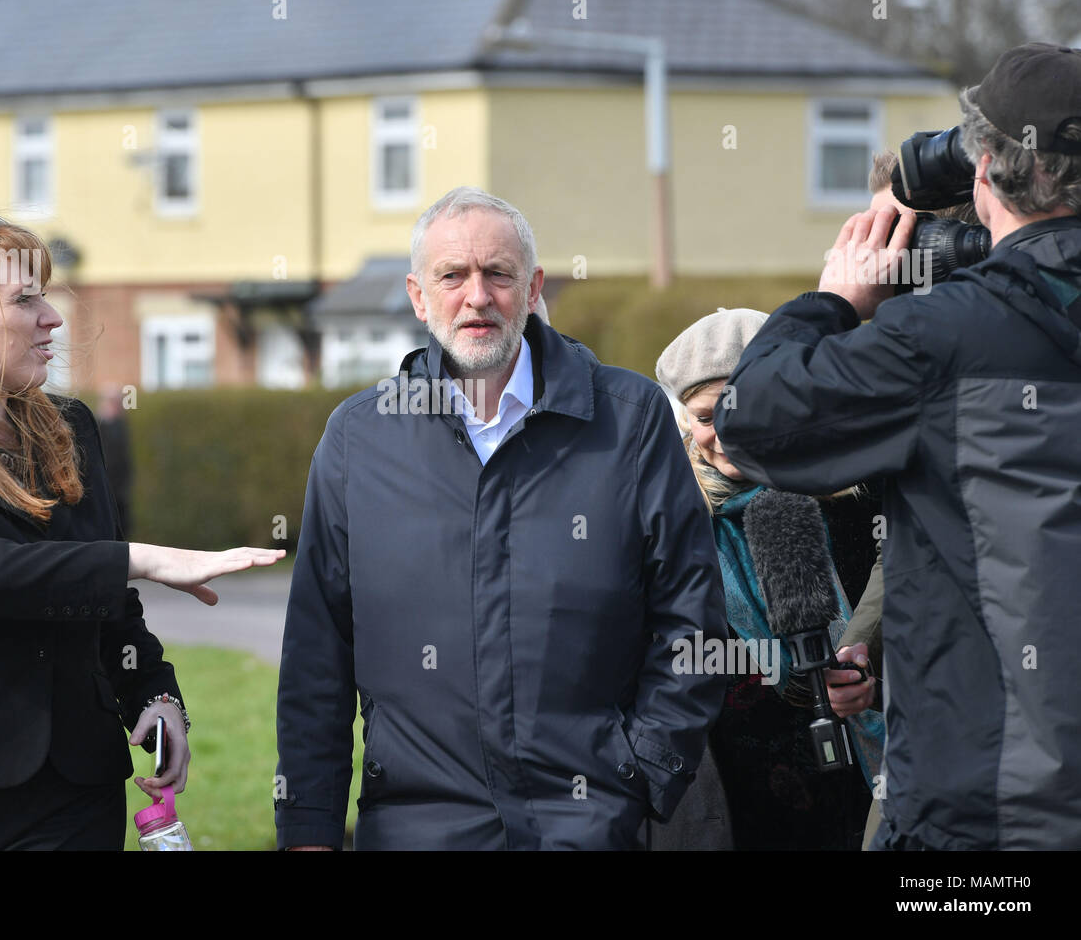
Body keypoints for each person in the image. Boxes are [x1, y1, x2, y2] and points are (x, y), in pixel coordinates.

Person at [274, 186, 727, 850]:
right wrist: (309, 827)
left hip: (590, 826)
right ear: (418, 295)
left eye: (498, 274)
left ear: (534, 286)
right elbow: (318, 657)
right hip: (416, 832)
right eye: (452, 276)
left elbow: (692, 619)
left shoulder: (627, 420)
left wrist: (637, 776)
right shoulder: (359, 440)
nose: (477, 297)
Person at [715, 43, 1081, 849]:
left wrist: (836, 298)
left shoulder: (946, 336)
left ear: (983, 170)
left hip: (983, 804)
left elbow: (753, 421)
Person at [0, 212, 284, 850]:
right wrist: (138, 558)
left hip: (72, 789)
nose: (54, 317)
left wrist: (152, 691)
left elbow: (107, 602)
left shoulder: (71, 428)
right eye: (26, 299)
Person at [654, 308, 883, 850]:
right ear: (686, 420)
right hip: (736, 796)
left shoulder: (860, 499)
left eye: (745, 411)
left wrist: (870, 681)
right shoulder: (668, 521)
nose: (727, 435)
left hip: (871, 780)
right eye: (709, 418)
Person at [95, 383, 134, 537]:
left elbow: (124, 458)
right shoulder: (98, 424)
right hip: (105, 487)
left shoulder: (121, 424)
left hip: (119, 490)